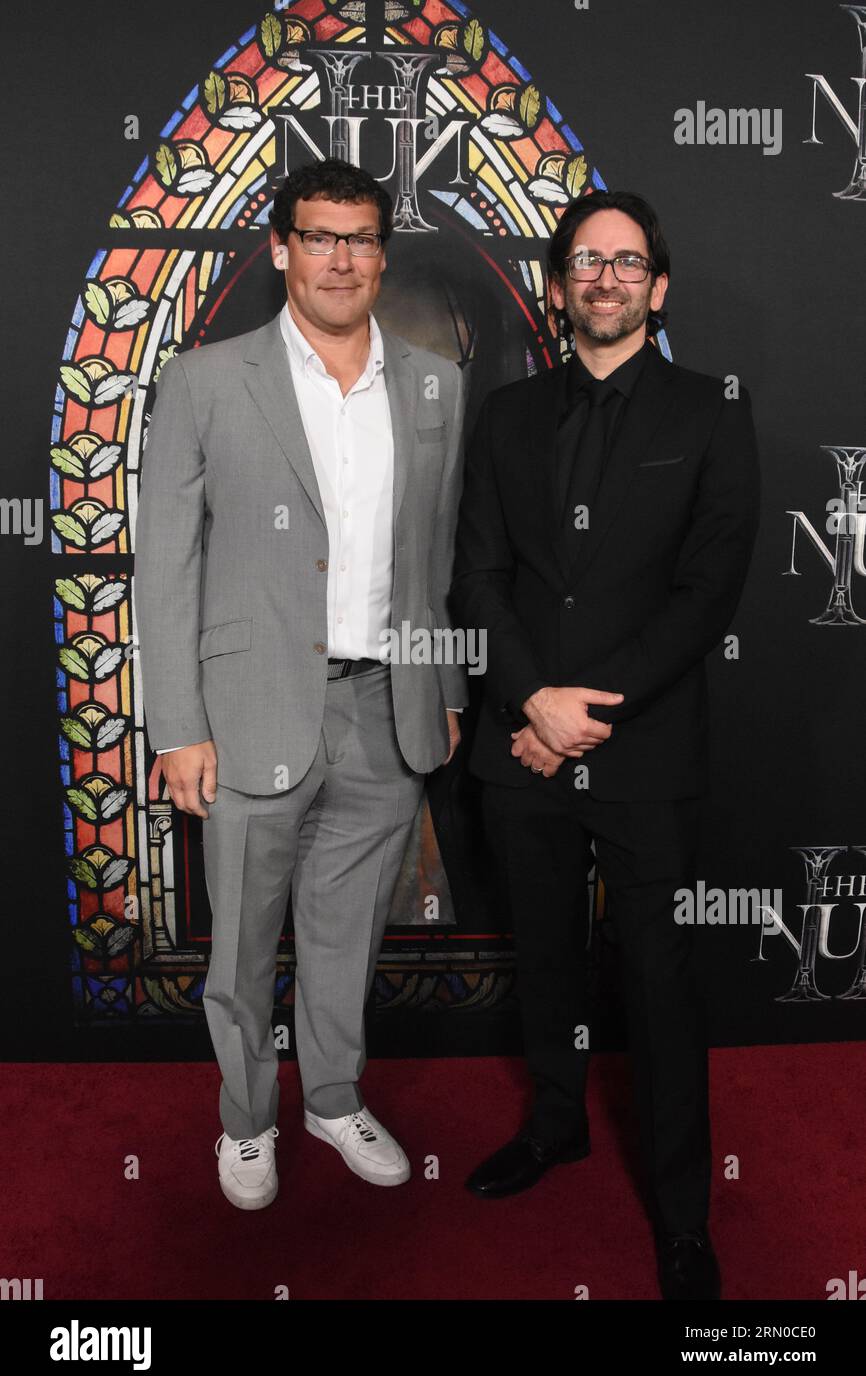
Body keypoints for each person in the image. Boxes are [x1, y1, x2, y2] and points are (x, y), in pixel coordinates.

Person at [135, 158, 467, 1211]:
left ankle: (330, 1095)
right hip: (245, 714)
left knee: (345, 932)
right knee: (238, 944)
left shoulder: (433, 384)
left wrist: (442, 688)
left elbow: (438, 555)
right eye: (318, 236)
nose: (340, 258)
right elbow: (166, 563)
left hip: (387, 710)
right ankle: (245, 1120)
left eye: (361, 238)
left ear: (381, 253)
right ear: (280, 248)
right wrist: (176, 726)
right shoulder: (202, 380)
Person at [450, 190, 759, 1299]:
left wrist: (584, 712)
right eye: (584, 259)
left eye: (625, 261)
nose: (604, 276)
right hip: (519, 749)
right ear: (555, 284)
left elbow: (703, 591)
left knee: (661, 979)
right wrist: (531, 702)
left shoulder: (709, 410)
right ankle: (552, 1126)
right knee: (543, 957)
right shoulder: (505, 417)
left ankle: (681, 1213)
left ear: (656, 287)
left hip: (642, 752)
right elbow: (477, 576)